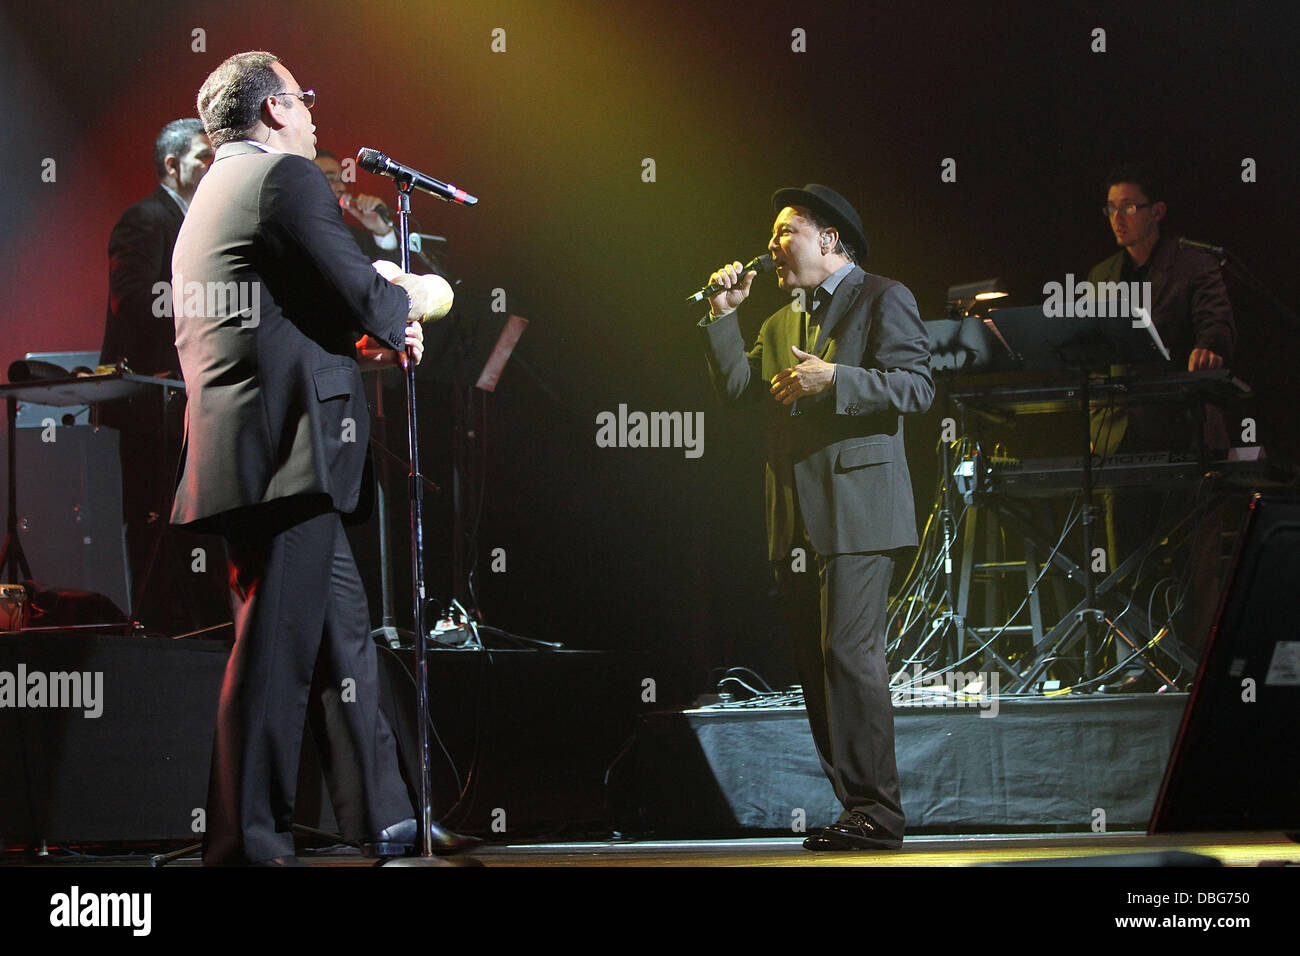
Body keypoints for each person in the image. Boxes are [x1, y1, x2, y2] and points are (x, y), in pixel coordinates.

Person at [171, 50, 466, 865]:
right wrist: (415, 299)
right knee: (275, 653)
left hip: (258, 450)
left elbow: (281, 312)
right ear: (271, 111)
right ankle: (243, 844)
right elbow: (354, 286)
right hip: (285, 454)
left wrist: (365, 319)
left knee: (342, 639)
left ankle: (384, 813)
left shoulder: (212, 195)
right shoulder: (283, 180)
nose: (312, 114)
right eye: (302, 100)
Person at [699, 184, 933, 850]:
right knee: (818, 662)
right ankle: (856, 808)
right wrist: (722, 316)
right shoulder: (779, 321)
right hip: (796, 516)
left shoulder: (886, 297)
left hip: (861, 509)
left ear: (829, 238)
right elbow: (739, 391)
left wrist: (837, 381)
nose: (770, 247)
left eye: (784, 233)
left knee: (848, 654)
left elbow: (916, 387)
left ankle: (878, 813)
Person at [98, 118, 223, 632]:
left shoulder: (204, 222)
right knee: (155, 522)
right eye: (201, 156)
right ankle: (160, 634)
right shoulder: (146, 218)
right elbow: (134, 297)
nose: (212, 164)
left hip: (188, 399)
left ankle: (195, 627)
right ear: (172, 165)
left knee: (194, 523)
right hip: (152, 404)